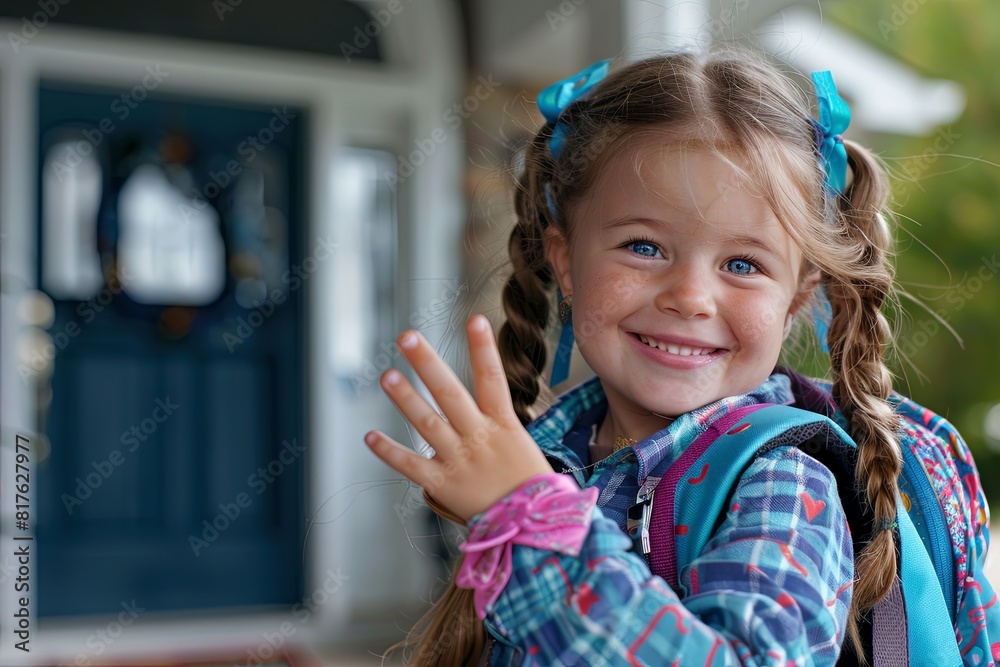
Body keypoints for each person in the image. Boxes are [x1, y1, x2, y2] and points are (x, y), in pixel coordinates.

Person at [363, 50, 999, 666]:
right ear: (565, 261)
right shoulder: (553, 452)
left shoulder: (785, 481)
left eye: (743, 264)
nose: (691, 297)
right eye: (642, 246)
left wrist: (530, 525)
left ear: (797, 296)